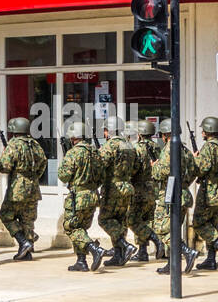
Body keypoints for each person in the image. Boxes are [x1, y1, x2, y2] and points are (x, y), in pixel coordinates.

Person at [151, 118, 199, 275]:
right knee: (173, 228)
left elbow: (160, 172)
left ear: (165, 134)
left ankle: (186, 251)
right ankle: (171, 264)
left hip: (170, 193)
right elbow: (194, 171)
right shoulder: (184, 150)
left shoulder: (169, 149)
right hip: (184, 193)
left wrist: (154, 167)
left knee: (161, 227)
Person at [57, 122, 106, 272]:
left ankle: (94, 249)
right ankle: (81, 260)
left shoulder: (74, 153)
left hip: (78, 196)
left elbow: (63, 176)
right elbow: (101, 176)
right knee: (81, 229)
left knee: (71, 227)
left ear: (74, 137)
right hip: (92, 195)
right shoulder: (95, 153)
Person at [0, 117, 47, 261]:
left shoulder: (13, 145)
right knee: (28, 219)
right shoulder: (35, 144)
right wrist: (34, 176)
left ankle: (22, 242)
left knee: (6, 215)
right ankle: (28, 250)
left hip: (17, 188)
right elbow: (43, 162)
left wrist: (3, 155)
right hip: (33, 187)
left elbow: (4, 168)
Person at [192, 116, 218, 270]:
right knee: (213, 224)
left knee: (199, 222)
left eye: (203, 129)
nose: (202, 132)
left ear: (209, 130)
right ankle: (211, 259)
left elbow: (201, 168)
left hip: (208, 192)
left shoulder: (209, 147)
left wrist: (194, 160)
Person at [97, 115, 138, 266]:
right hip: (127, 187)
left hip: (113, 188)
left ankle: (124, 245)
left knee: (105, 219)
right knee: (120, 221)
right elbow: (135, 167)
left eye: (106, 130)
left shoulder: (110, 146)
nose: (104, 133)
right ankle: (119, 255)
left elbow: (100, 165)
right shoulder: (129, 145)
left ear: (109, 131)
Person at [130, 120, 162, 260]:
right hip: (153, 188)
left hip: (139, 188)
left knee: (133, 220)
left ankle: (154, 239)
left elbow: (134, 169)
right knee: (147, 220)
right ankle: (142, 251)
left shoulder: (137, 148)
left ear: (140, 134)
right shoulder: (158, 147)